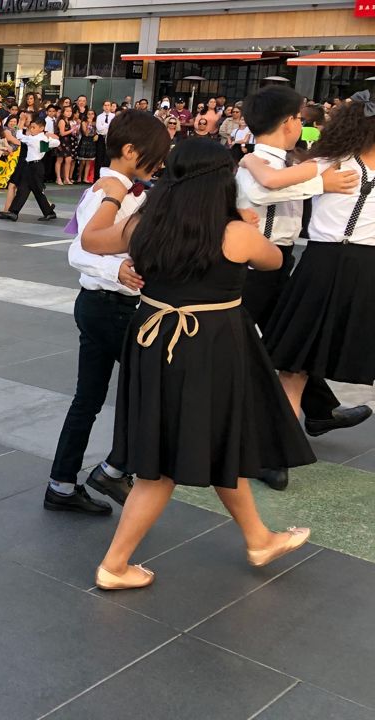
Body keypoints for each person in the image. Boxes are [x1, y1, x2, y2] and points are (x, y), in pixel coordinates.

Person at [80, 138, 314, 591]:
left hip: (153, 340)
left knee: (213, 441)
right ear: (222, 182)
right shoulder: (235, 232)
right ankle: (114, 564)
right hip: (209, 347)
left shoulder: (145, 225)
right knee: (169, 461)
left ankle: (258, 537)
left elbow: (91, 238)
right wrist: (248, 225)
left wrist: (112, 192)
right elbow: (274, 260)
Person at [235, 87, 368, 491]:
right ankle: (293, 423)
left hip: (283, 263)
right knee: (252, 351)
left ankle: (319, 411)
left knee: (293, 348)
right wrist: (320, 184)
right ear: (289, 122)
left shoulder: (300, 162)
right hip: (253, 266)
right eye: (302, 119)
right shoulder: (259, 164)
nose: (306, 125)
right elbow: (263, 189)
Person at [46, 110, 170, 516]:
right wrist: (115, 267)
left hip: (104, 306)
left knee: (89, 399)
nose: (160, 163)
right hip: (109, 307)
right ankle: (114, 469)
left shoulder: (129, 188)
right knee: (152, 388)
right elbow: (80, 248)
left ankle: (62, 485)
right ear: (131, 150)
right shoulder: (108, 190)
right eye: (154, 155)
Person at [260, 93, 375, 452]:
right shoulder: (332, 163)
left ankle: (275, 452)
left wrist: (251, 165)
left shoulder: (331, 161)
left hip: (328, 265)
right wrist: (251, 165)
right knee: (297, 365)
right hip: (350, 269)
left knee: (295, 366)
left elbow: (271, 180)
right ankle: (282, 444)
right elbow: (271, 181)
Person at [0, 117, 59, 222]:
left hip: (35, 167)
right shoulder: (42, 138)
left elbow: (20, 136)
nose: (31, 129)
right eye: (31, 127)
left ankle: (49, 212)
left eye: (34, 127)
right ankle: (14, 212)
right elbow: (56, 142)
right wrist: (46, 144)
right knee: (23, 189)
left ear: (41, 128)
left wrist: (22, 122)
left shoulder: (34, 139)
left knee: (37, 191)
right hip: (31, 166)